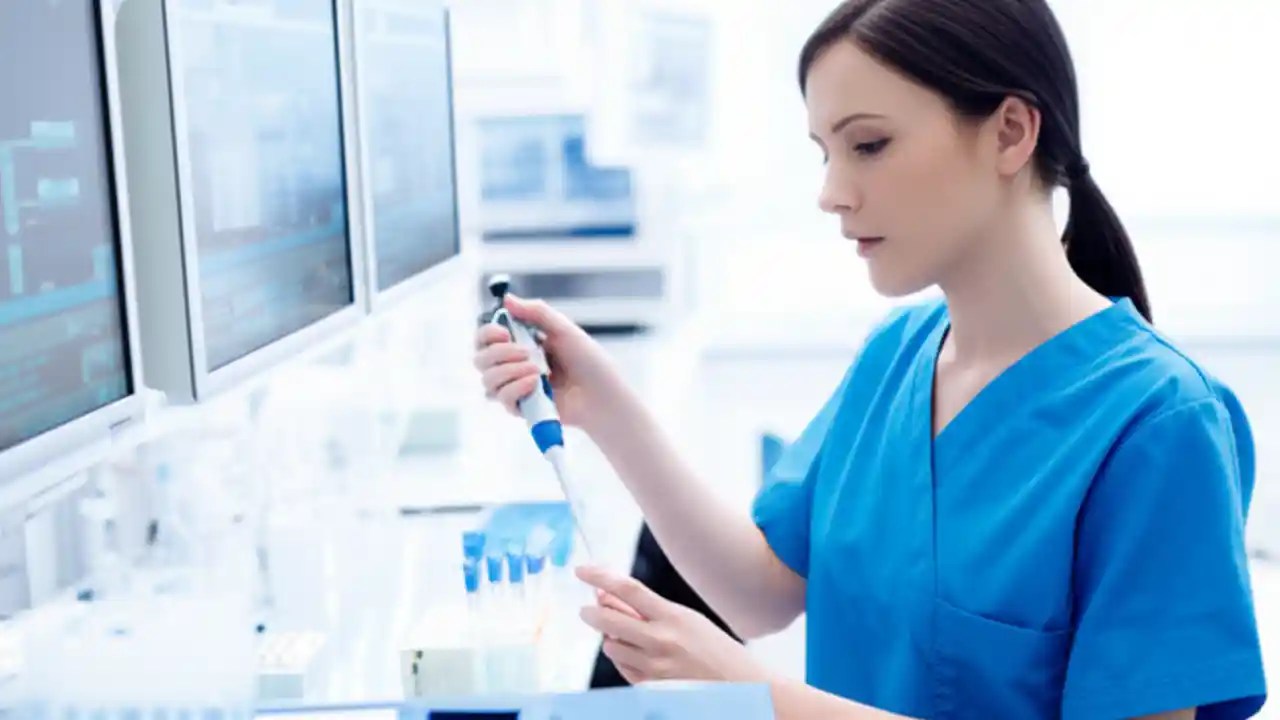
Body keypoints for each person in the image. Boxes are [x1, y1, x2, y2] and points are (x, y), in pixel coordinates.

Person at [473, 0, 1268, 717]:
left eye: (869, 145)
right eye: (825, 152)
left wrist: (758, 698)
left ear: (1012, 132)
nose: (832, 191)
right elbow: (758, 592)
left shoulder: (1161, 426)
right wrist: (601, 406)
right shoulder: (899, 356)